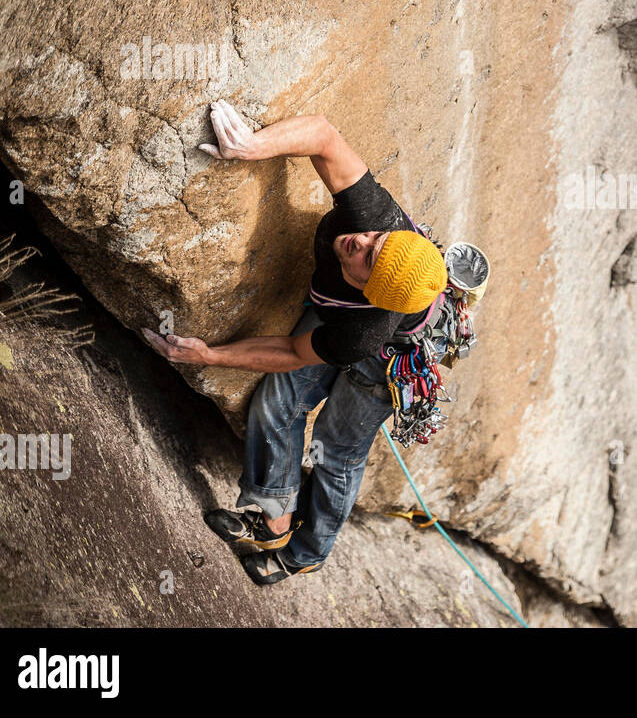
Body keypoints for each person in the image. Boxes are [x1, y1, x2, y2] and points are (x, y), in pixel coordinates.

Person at [143, 100, 447, 585]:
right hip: (337, 314)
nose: (359, 241)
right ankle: (270, 518)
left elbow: (290, 353)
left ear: (370, 291)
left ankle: (304, 554)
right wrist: (252, 146)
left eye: (368, 255)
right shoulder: (376, 219)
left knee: (335, 448)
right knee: (274, 404)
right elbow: (324, 136)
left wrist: (209, 355)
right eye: (374, 241)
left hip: (383, 361)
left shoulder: (364, 331)